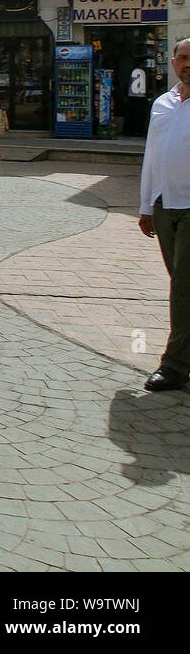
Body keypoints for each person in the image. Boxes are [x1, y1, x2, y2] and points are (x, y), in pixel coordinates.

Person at [138, 36, 190, 391]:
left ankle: (173, 366)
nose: (188, 63)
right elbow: (152, 157)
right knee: (181, 283)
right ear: (172, 62)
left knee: (184, 288)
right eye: (183, 57)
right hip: (164, 207)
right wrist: (145, 207)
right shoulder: (163, 103)